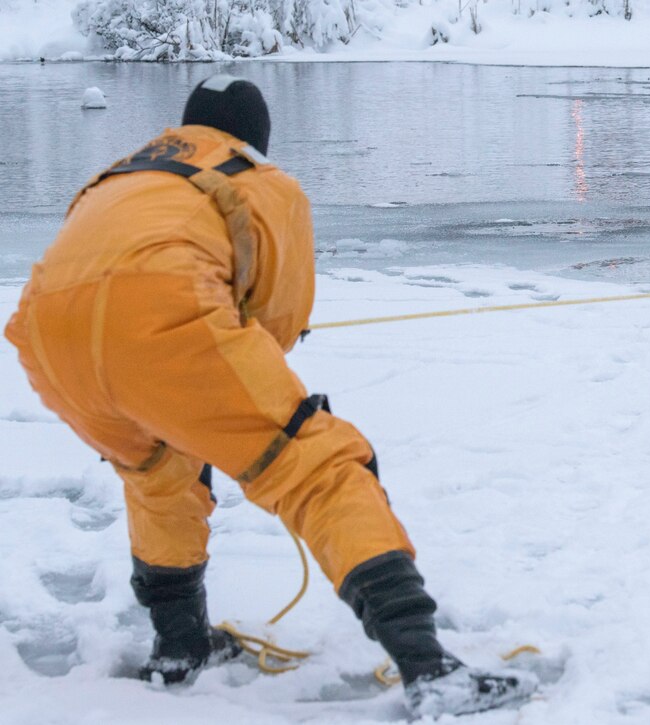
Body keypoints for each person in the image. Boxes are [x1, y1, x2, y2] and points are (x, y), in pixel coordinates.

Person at [4, 75, 536, 718]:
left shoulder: (119, 176)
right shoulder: (263, 184)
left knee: (157, 474)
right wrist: (259, 408)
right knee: (320, 468)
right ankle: (430, 670)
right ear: (257, 134)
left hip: (45, 340)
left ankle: (179, 648)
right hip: (164, 320)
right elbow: (276, 322)